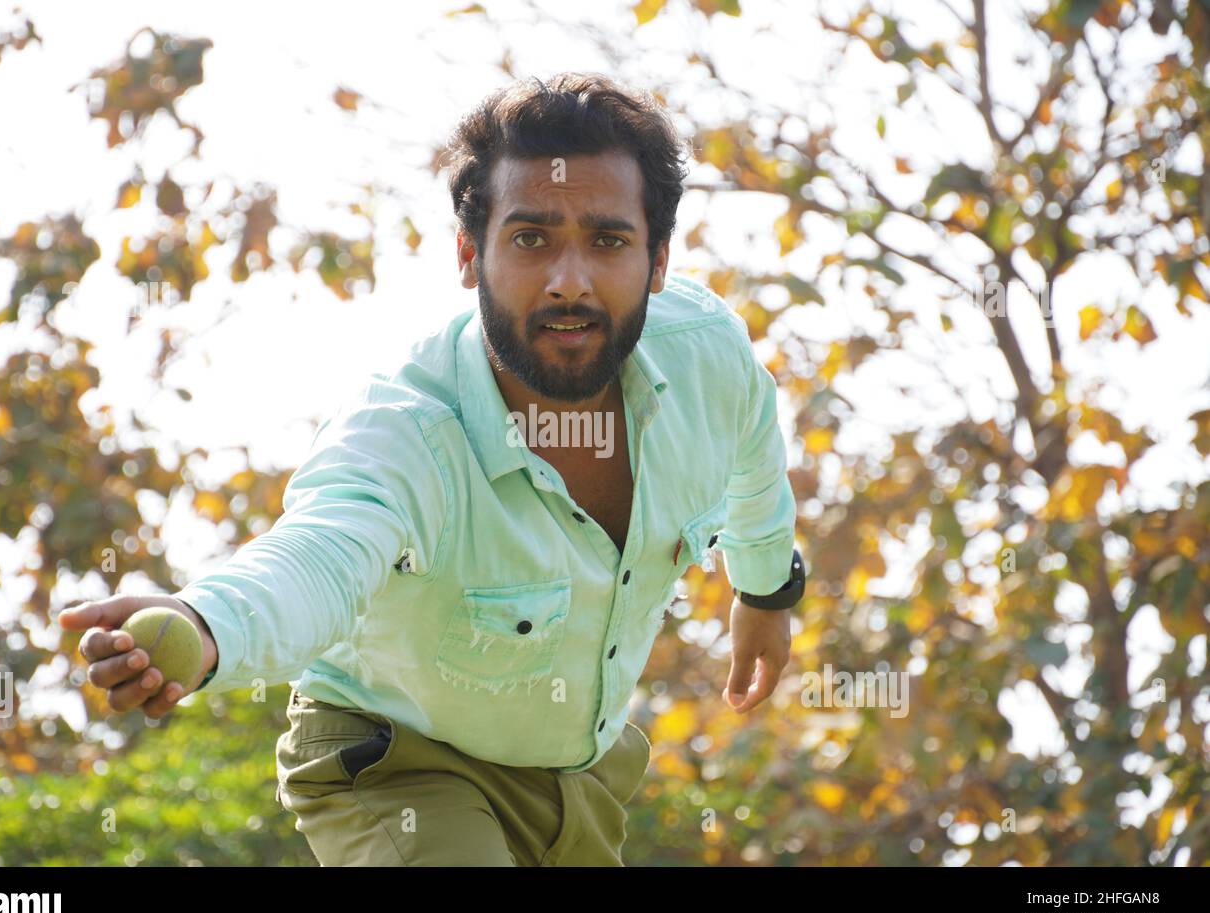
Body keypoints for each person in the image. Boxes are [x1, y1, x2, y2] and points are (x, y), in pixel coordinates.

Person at [59, 71, 804, 867]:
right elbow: (319, 557)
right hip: (393, 764)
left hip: (577, 783)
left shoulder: (705, 357)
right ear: (467, 254)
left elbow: (753, 459)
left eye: (608, 241)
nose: (569, 280)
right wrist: (207, 626)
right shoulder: (409, 431)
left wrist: (764, 589)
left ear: (658, 261)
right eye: (530, 238)